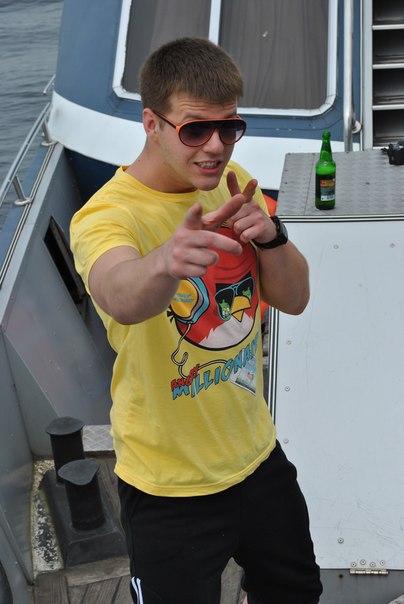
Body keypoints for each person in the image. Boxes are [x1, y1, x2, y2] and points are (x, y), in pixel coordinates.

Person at [70, 37, 322, 604]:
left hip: (257, 460)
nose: (216, 147)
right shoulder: (106, 215)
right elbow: (118, 293)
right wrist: (166, 261)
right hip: (167, 487)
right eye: (196, 130)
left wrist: (272, 236)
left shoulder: (234, 186)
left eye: (229, 128)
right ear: (151, 124)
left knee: (298, 592)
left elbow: (295, 298)